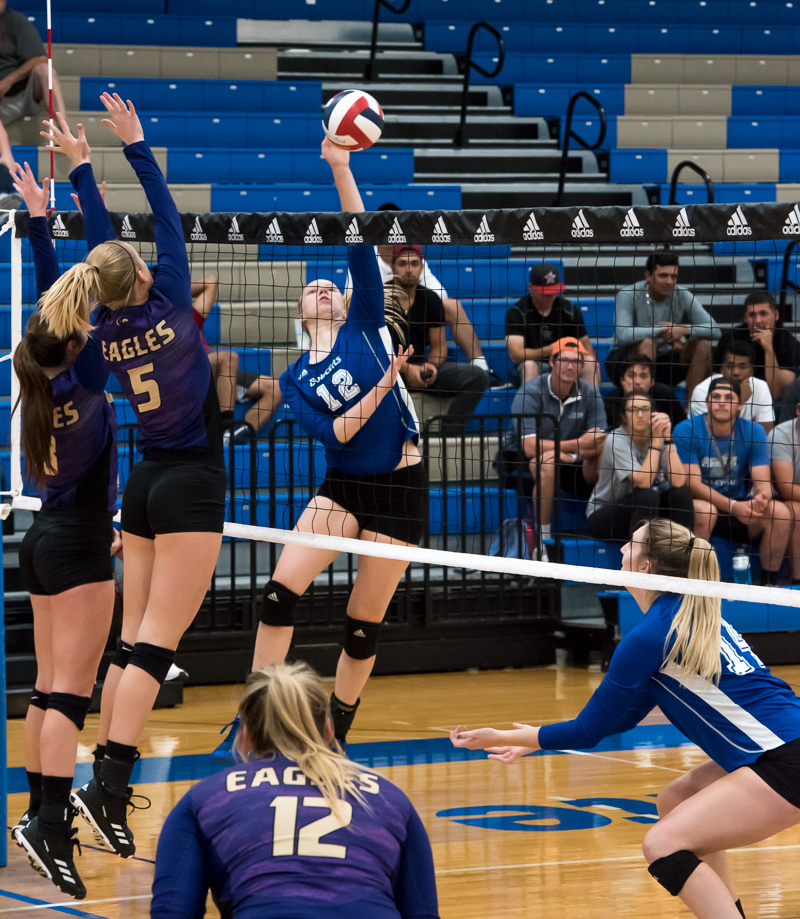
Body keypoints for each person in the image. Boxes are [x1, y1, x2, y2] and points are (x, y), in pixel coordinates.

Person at [39, 95, 228, 859]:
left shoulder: (101, 330)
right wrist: (128, 149)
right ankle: (108, 784)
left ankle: (104, 781)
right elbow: (162, 216)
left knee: (131, 644)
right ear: (144, 269)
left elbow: (102, 251)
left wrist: (85, 171)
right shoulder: (173, 296)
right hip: (189, 484)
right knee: (155, 644)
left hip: (146, 486)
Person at [451, 518, 800, 919]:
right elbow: (620, 719)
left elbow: (588, 730)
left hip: (784, 762)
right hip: (785, 746)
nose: (620, 550)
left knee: (662, 844)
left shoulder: (652, 634)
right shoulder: (690, 615)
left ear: (646, 565)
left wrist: (512, 736)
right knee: (677, 800)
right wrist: (533, 738)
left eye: (631, 544)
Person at [233, 139, 427, 753]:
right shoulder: (294, 379)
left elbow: (358, 237)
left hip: (400, 488)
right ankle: (255, 719)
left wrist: (341, 165)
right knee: (277, 595)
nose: (322, 288)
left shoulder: (365, 322)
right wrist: (386, 383)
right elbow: (336, 433)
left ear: (344, 302)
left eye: (329, 286)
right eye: (311, 289)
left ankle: (335, 733)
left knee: (362, 627)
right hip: (342, 488)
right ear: (301, 314)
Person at [9, 159, 118, 900]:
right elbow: (99, 290)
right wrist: (77, 192)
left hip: (42, 542)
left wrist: (41, 223)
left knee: (47, 690)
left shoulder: (40, 383)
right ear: (74, 348)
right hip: (78, 548)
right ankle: (51, 827)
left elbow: (58, 312)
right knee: (69, 696)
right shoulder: (87, 377)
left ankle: (34, 814)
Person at [153, 662, 439, 919]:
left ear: (245, 736)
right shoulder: (389, 797)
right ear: (329, 730)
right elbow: (423, 914)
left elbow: (173, 912)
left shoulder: (205, 799)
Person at [673, 377, 790, 585]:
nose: (722, 402)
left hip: (739, 506)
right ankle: (694, 583)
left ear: (739, 405)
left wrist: (761, 497)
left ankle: (768, 584)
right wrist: (734, 506)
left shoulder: (754, 431)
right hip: (702, 505)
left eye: (728, 398)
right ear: (707, 402)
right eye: (716, 397)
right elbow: (693, 484)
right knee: (706, 511)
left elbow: (763, 482)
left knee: (780, 513)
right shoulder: (686, 429)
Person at [500, 337, 607, 557]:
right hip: (520, 459)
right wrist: (576, 445)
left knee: (609, 449)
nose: (570, 366)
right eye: (565, 360)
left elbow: (599, 439)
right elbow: (530, 447)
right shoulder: (530, 392)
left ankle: (604, 523)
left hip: (571, 459)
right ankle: (543, 539)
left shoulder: (589, 392)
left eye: (576, 362)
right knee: (547, 463)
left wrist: (573, 454)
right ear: (552, 362)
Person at [387, 243, 489, 437]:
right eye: (402, 264)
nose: (408, 269)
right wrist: (407, 369)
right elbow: (375, 350)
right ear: (392, 267)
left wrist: (431, 367)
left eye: (414, 264)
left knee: (477, 376)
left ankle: (449, 433)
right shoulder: (380, 299)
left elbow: (439, 347)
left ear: (422, 267)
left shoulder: (430, 299)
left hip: (420, 367)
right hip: (388, 369)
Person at [607, 251, 720, 393]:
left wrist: (683, 330)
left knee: (704, 345)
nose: (669, 281)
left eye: (674, 276)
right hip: (623, 361)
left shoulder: (682, 295)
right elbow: (624, 334)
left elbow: (715, 330)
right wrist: (667, 332)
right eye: (663, 275)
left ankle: (693, 405)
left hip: (665, 361)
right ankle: (643, 401)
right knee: (648, 343)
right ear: (648, 276)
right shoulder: (628, 294)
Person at [587, 391, 693, 541]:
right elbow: (643, 482)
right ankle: (641, 551)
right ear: (624, 416)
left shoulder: (657, 435)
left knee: (680, 494)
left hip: (645, 511)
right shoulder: (616, 439)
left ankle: (682, 549)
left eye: (645, 409)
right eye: (633, 410)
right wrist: (656, 440)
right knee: (647, 495)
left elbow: (679, 481)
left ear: (653, 413)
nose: (640, 415)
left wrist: (667, 438)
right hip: (605, 515)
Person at [191, 275, 282, 442]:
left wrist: (171, 287)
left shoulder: (190, 316)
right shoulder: (157, 320)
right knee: (228, 358)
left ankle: (234, 437)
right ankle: (224, 427)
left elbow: (211, 283)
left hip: (213, 373)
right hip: (187, 376)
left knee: (277, 387)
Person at [504, 262, 599, 388]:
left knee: (590, 362)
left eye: (553, 292)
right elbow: (516, 355)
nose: (549, 296)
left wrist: (586, 361)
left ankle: (592, 400)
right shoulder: (517, 312)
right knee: (529, 365)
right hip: (534, 366)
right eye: (544, 293)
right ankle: (529, 401)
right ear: (531, 288)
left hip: (565, 364)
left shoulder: (569, 309)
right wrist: (551, 349)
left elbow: (586, 346)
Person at [714, 291, 800, 400]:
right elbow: (715, 379)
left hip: (771, 401)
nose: (758, 321)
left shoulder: (788, 343)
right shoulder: (729, 338)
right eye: (752, 315)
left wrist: (768, 349)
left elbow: (778, 393)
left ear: (776, 315)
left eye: (763, 314)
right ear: (745, 317)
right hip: (732, 397)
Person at [0, 0, 65, 125]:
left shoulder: (16, 20)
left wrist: (8, 81)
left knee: (45, 69)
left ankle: (62, 127)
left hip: (25, 95)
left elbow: (40, 58)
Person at [690, 340, 774, 432]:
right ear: (722, 369)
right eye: (730, 366)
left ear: (751, 371)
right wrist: (740, 400)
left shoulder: (761, 387)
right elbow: (714, 434)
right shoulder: (703, 391)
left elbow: (766, 433)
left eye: (742, 367)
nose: (736, 372)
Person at [603, 352, 687, 430]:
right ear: (622, 380)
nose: (637, 382)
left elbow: (683, 427)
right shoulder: (611, 401)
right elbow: (620, 433)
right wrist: (629, 400)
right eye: (631, 376)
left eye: (643, 376)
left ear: (652, 381)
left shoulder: (665, 395)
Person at [767, 403, 800, 585]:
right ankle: (797, 581)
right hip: (781, 498)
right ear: (798, 410)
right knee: (797, 511)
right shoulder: (781, 435)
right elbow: (786, 488)